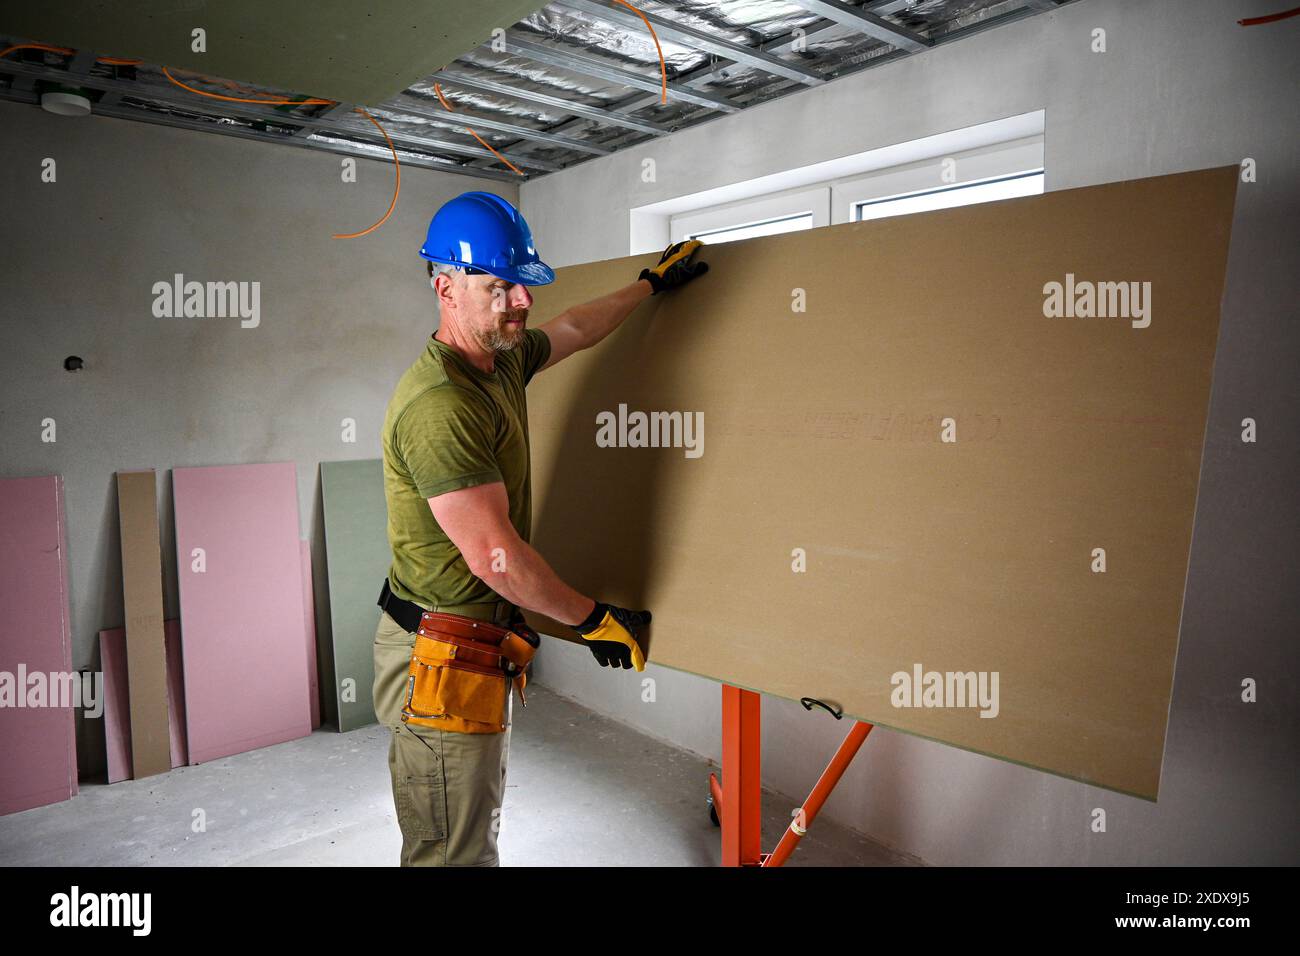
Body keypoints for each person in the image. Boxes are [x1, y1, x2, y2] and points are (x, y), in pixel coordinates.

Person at [373, 191, 709, 866]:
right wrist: (592, 621)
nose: (522, 302)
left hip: (473, 647)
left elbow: (578, 328)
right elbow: (497, 559)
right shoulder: (443, 407)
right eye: (500, 287)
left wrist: (648, 286)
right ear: (446, 287)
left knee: (469, 827)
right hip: (440, 658)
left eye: (523, 284)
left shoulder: (497, 361)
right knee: (451, 853)